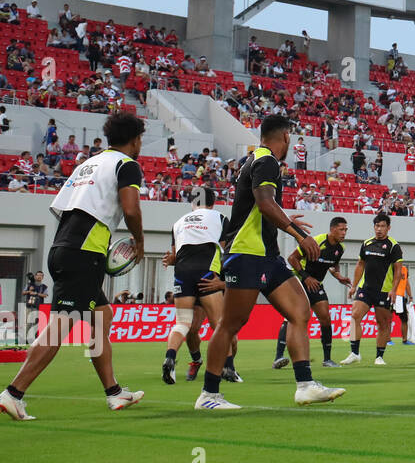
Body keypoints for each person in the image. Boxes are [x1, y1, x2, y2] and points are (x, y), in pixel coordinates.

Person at [1, 114, 147, 421]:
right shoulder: (127, 164)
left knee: (102, 316)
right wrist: (139, 241)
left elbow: (63, 207)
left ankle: (114, 393)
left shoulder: (88, 164)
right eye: (140, 140)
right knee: (59, 329)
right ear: (134, 140)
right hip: (84, 252)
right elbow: (132, 208)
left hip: (63, 246)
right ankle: (13, 394)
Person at [195, 115, 345, 410]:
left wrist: (285, 219)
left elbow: (262, 207)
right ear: (286, 137)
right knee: (230, 324)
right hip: (248, 253)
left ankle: (305, 386)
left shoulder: (255, 160)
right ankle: (208, 395)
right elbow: (264, 204)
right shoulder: (267, 161)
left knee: (300, 311)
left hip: (267, 255)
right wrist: (300, 234)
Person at [160, 188, 232, 386]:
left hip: (183, 274)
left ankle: (170, 358)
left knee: (183, 323)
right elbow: (226, 252)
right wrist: (225, 280)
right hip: (208, 275)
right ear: (213, 203)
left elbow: (175, 255)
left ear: (192, 203)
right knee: (219, 324)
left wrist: (171, 260)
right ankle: (226, 367)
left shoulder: (179, 222)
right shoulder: (220, 217)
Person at [273, 216, 350, 369]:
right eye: (341, 229)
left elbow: (332, 265)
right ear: (332, 229)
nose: (344, 233)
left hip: (316, 284)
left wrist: (338, 276)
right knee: (292, 318)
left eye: (346, 230)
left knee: (326, 318)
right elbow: (292, 258)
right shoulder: (315, 242)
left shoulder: (340, 248)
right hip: (299, 281)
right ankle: (279, 357)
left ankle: (327, 359)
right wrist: (306, 277)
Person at [341, 213, 404, 366]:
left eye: (382, 226)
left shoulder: (393, 246)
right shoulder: (367, 243)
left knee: (382, 324)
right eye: (377, 226)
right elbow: (360, 265)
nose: (379, 229)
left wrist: (394, 290)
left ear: (388, 228)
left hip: (384, 290)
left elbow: (398, 270)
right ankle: (354, 353)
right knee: (355, 315)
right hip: (365, 289)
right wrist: (354, 285)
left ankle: (379, 357)